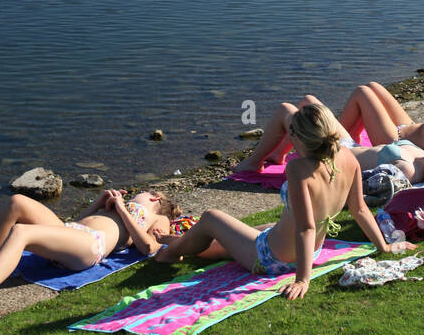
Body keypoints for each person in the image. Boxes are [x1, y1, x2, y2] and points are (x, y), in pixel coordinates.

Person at [156, 103, 399, 299]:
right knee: (228, 240)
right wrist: (383, 246)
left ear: (297, 138)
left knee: (210, 217)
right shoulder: (348, 158)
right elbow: (360, 210)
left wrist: (303, 280)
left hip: (271, 257)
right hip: (308, 251)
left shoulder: (299, 169)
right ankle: (176, 241)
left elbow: (306, 228)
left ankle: (167, 255)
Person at [0, 188, 177, 325]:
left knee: (22, 232)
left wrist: (122, 208)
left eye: (143, 192)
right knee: (17, 202)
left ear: (155, 197)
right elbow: (81, 223)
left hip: (92, 245)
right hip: (74, 233)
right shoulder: (120, 209)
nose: (137, 193)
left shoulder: (158, 216)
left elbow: (149, 247)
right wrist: (99, 203)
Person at [234, 57, 424, 174]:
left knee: (351, 94)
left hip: (393, 140)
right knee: (370, 86)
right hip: (404, 134)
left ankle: (260, 160)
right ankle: (282, 152)